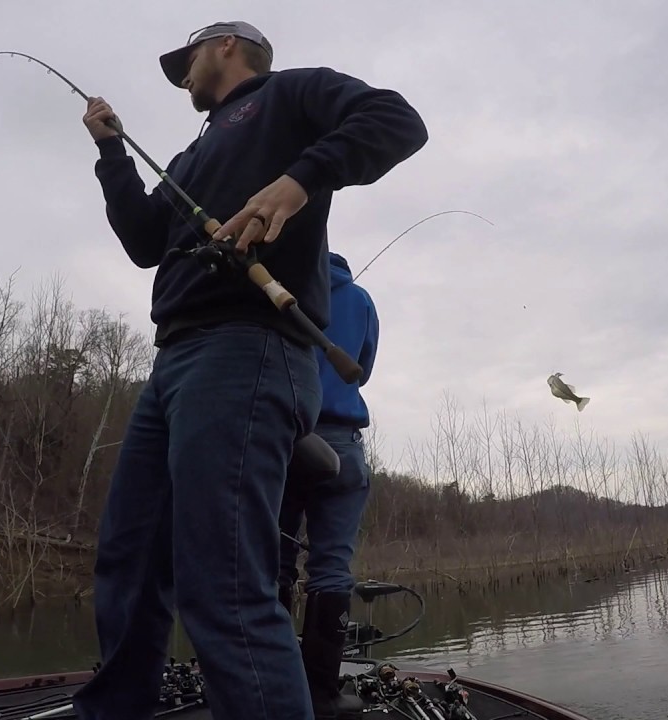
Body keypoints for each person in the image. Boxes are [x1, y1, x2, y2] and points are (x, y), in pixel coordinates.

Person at [71, 20, 428, 720]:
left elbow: (397, 121)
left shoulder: (291, 95)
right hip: (172, 362)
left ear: (227, 45)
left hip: (248, 352)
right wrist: (113, 152)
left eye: (189, 61)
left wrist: (298, 182)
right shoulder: (189, 154)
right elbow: (145, 242)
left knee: (224, 580)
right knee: (131, 565)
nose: (184, 77)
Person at [277, 251, 379, 720]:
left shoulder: (285, 293)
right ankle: (321, 695)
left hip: (284, 441)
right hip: (342, 445)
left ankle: (272, 681)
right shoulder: (361, 299)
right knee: (332, 567)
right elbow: (361, 367)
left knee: (272, 562)